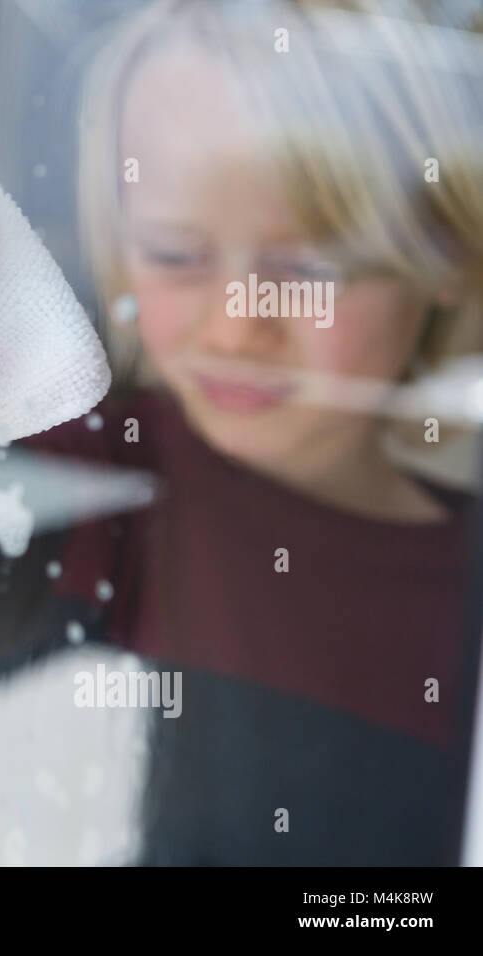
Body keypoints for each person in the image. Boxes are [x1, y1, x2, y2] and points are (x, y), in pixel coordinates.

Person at [25, 0, 483, 863]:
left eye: (308, 269)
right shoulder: (111, 478)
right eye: (173, 253)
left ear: (447, 259)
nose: (238, 328)